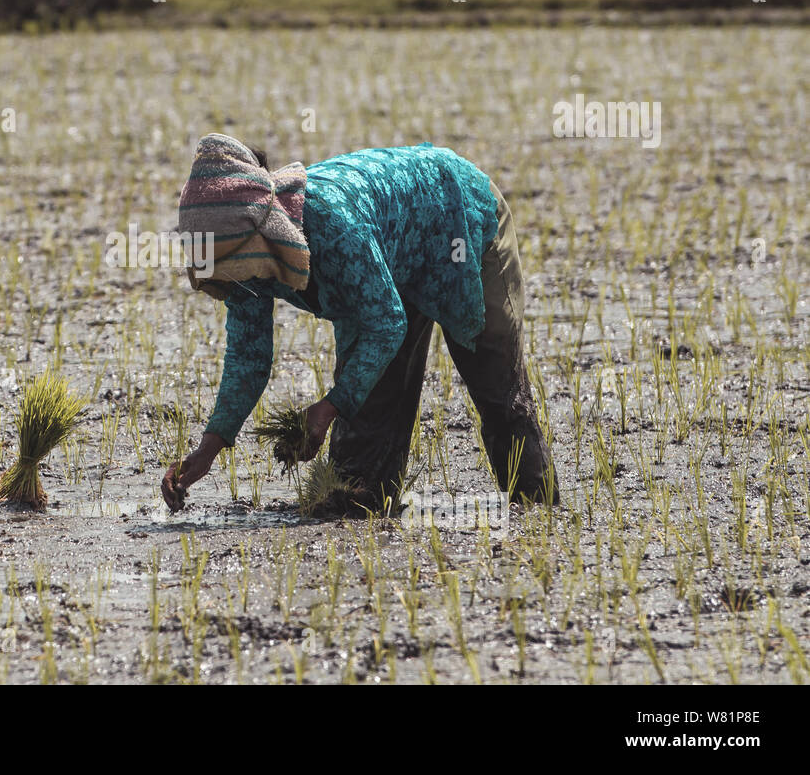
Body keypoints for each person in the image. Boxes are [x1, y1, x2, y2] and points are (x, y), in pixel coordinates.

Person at [160, 133, 559, 515]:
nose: (229, 279)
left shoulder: (332, 225)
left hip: (457, 217)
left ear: (258, 236)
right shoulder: (248, 268)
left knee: (497, 387)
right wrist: (209, 448)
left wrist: (328, 408)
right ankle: (369, 513)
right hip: (388, 261)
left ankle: (537, 514)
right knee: (358, 460)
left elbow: (385, 324)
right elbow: (249, 358)